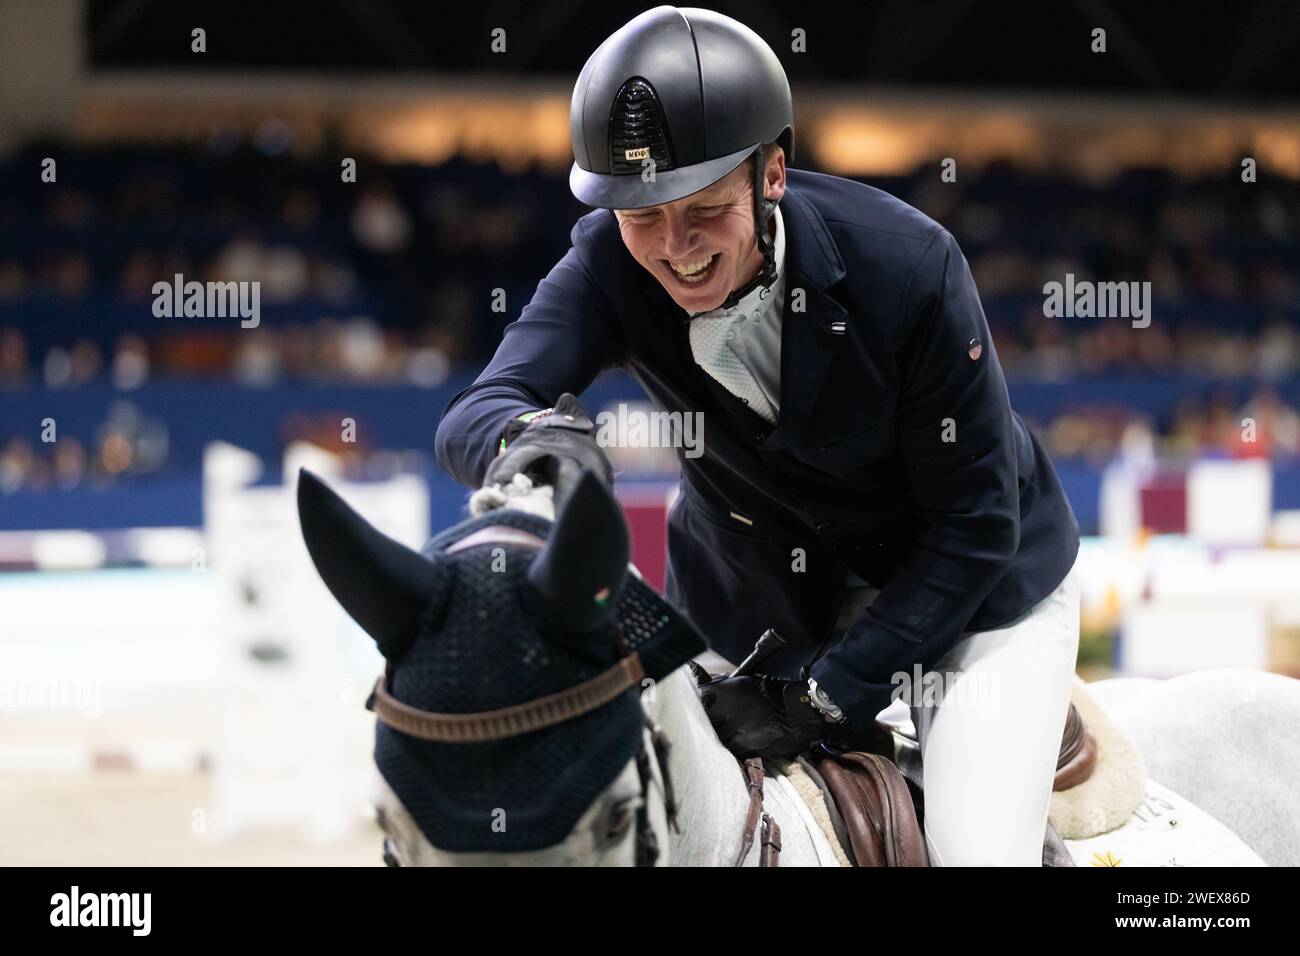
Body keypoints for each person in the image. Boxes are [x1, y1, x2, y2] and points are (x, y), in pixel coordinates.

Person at [435, 5, 1082, 866]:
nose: (675, 250)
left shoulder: (909, 267)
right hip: (750, 597)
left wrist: (824, 697)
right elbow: (478, 410)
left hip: (970, 595)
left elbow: (973, 527)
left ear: (771, 172)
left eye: (702, 209)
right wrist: (539, 441)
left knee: (974, 856)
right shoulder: (606, 261)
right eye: (643, 219)